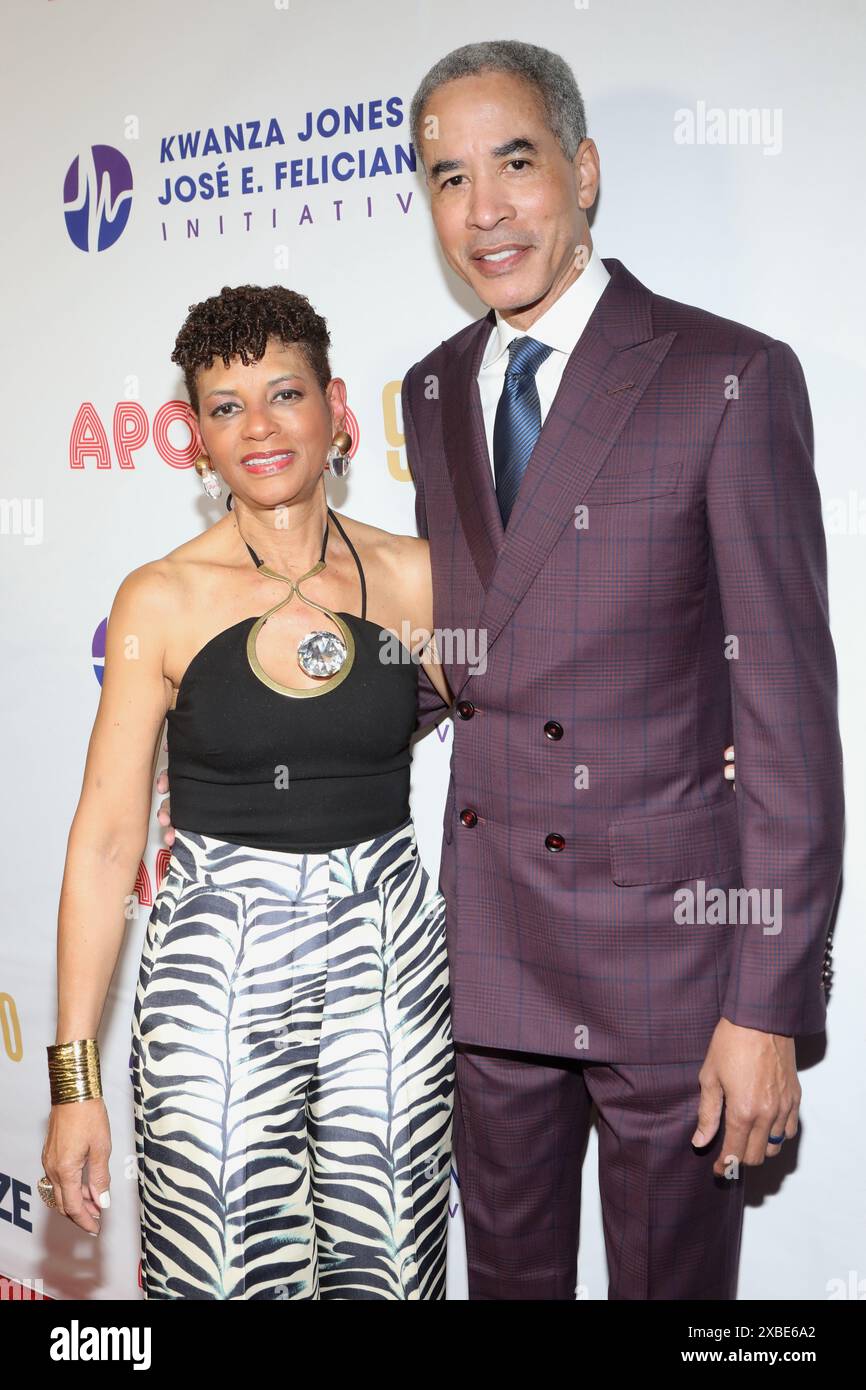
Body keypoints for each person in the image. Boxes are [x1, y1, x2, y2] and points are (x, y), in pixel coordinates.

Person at [396, 40, 842, 1299]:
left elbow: (788, 725)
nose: (483, 210)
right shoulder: (432, 391)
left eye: (515, 162)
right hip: (490, 952)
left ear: (582, 173)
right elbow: (472, 648)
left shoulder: (725, 375)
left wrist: (765, 1005)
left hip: (670, 967)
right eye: (446, 177)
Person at [40, 284, 454, 1300]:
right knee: (221, 1281)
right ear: (193, 438)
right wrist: (72, 1087)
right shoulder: (161, 597)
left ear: (335, 404)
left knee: (393, 1276)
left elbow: (530, 722)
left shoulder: (416, 577)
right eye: (225, 407)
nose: (259, 429)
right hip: (212, 997)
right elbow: (102, 847)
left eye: (282, 394)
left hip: (391, 983)